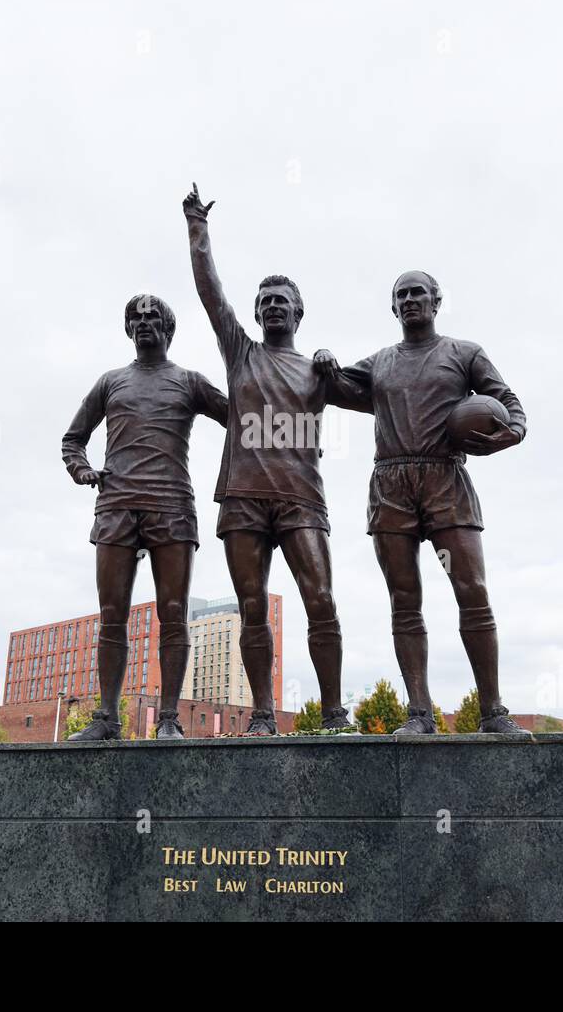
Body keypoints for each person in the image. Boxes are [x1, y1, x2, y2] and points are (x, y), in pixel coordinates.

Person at [314, 271, 527, 733]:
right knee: (404, 600)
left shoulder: (464, 352)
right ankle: (419, 712)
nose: (410, 300)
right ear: (393, 307)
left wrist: (508, 435)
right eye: (401, 295)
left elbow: (510, 405)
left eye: (418, 293)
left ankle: (492, 711)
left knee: (472, 592)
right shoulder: (380, 363)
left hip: (445, 478)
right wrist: (324, 359)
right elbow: (329, 387)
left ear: (436, 300)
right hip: (391, 484)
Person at [182, 183, 360, 733]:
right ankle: (262, 714)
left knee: (321, 601)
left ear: (299, 312)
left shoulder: (317, 370)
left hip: (301, 498)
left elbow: (385, 395)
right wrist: (198, 229)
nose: (272, 307)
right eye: (264, 302)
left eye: (281, 300)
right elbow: (211, 293)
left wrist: (336, 364)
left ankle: (333, 713)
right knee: (251, 608)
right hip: (243, 499)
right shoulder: (241, 352)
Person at [62, 294, 228, 740]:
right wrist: (82, 469)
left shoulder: (190, 381)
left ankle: (170, 718)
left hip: (172, 505)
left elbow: (239, 418)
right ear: (127, 328)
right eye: (136, 317)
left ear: (169, 328)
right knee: (111, 614)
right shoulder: (110, 382)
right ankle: (107, 719)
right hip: (116, 505)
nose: (144, 322)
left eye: (153, 317)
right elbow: (72, 439)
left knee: (173, 613)